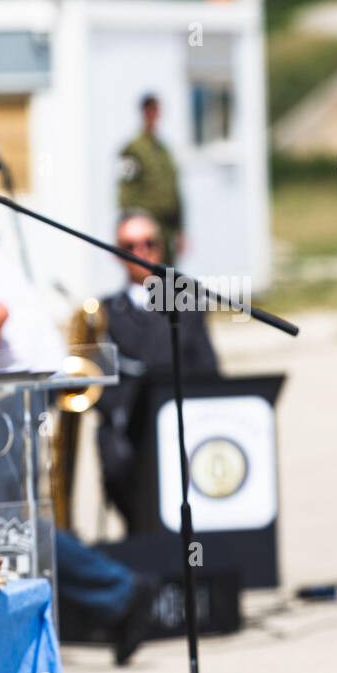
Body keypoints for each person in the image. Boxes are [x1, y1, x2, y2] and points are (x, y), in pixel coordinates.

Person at [0, 220, 157, 663]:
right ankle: (113, 592)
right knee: (6, 519)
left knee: (3, 522)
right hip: (16, 390)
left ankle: (118, 590)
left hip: (5, 395)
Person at [96, 209, 219, 534]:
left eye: (148, 243)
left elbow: (208, 368)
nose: (140, 253)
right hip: (130, 430)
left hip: (180, 422)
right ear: (117, 253)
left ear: (161, 248)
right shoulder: (105, 311)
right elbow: (97, 383)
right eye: (129, 245)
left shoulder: (187, 302)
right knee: (116, 459)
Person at [117, 94, 183, 263]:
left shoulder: (163, 150)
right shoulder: (135, 149)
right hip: (146, 234)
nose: (154, 116)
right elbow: (125, 191)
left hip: (167, 230)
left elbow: (174, 192)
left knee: (168, 282)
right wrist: (130, 228)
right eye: (151, 111)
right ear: (144, 113)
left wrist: (180, 230)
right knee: (148, 278)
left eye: (156, 111)